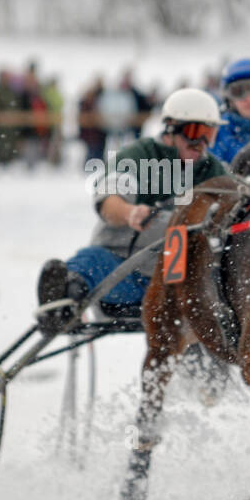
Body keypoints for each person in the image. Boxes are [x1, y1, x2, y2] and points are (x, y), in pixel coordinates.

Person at [34, 88, 230, 332]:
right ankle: (62, 298)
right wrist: (129, 213)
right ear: (171, 128)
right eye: (194, 132)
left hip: (180, 284)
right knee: (91, 262)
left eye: (209, 135)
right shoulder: (138, 157)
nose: (201, 143)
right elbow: (108, 200)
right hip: (127, 271)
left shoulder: (215, 172)